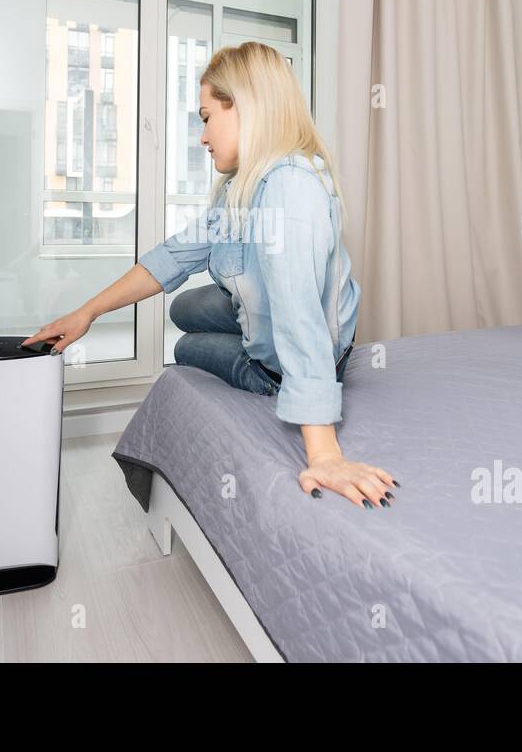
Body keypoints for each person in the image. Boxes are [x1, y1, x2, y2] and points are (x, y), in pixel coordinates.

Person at [23, 42, 397, 509]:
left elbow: (299, 315)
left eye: (205, 117)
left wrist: (324, 453)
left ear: (245, 107)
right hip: (268, 316)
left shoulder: (289, 188)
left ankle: (264, 374)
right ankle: (247, 325)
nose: (201, 136)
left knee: (183, 345)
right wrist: (87, 313)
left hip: (291, 354)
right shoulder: (239, 190)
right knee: (183, 305)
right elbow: (172, 258)